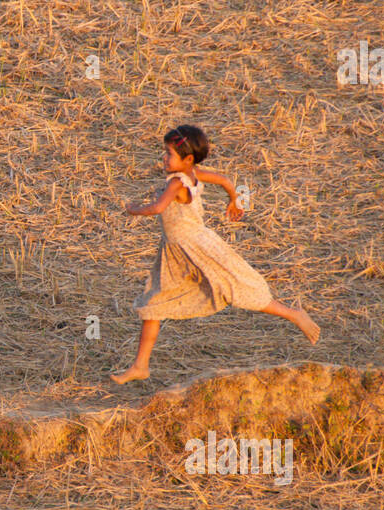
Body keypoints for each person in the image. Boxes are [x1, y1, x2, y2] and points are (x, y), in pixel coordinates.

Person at [111, 124, 320, 384]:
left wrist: (133, 209)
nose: (164, 159)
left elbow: (158, 208)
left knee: (235, 286)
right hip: (176, 253)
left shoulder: (177, 183)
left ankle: (293, 314)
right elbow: (225, 180)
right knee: (154, 304)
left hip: (196, 248)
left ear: (187, 159)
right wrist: (234, 201)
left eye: (168, 154)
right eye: (164, 152)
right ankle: (140, 366)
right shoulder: (194, 174)